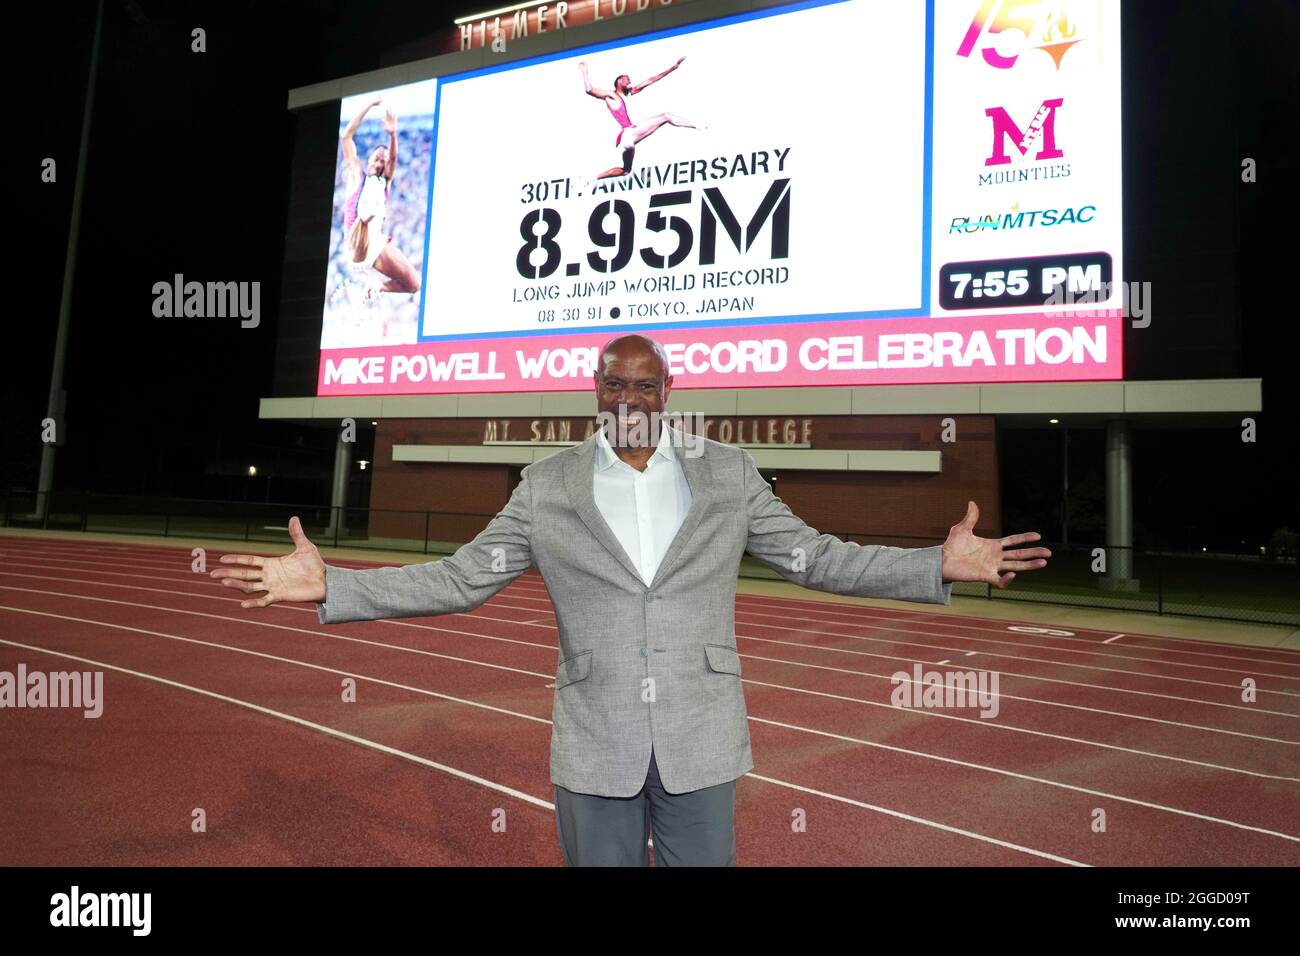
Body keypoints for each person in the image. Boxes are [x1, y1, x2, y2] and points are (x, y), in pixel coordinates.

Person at [212, 334, 1051, 866]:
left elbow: (814, 558)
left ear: (668, 391)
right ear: (596, 390)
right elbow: (462, 578)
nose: (629, 401)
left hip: (701, 733)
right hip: (596, 736)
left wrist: (932, 567)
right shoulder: (546, 487)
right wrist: (336, 585)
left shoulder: (727, 473)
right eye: (614, 385)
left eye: (644, 387)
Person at [338, 95, 421, 302]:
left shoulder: (385, 182)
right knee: (364, 219)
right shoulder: (356, 174)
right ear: (368, 160)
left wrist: (393, 135)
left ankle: (375, 287)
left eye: (382, 161)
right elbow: (346, 137)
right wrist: (370, 104)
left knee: (414, 284)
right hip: (355, 244)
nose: (380, 162)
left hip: (375, 246)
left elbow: (393, 159)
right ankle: (363, 220)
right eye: (376, 158)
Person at [578, 58, 705, 184]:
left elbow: (651, 80)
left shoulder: (631, 92)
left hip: (627, 140)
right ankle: (698, 125)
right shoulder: (611, 95)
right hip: (628, 134)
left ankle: (592, 178)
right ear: (619, 81)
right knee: (666, 116)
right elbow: (589, 90)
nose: (630, 81)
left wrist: (673, 68)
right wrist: (584, 71)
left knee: (626, 170)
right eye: (627, 79)